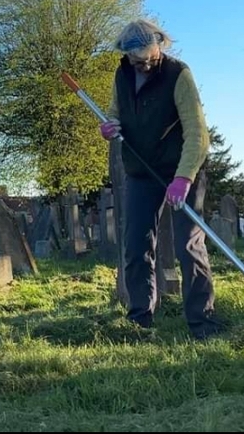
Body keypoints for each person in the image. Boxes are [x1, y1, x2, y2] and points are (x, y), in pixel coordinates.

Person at [99, 19, 224, 340]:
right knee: (136, 245)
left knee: (188, 244)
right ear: (125, 55)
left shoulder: (178, 74)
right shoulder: (122, 74)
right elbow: (116, 110)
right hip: (141, 171)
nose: (144, 64)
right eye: (137, 59)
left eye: (149, 57)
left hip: (182, 168)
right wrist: (111, 125)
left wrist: (183, 178)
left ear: (159, 46)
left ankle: (203, 323)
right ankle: (139, 320)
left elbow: (197, 131)